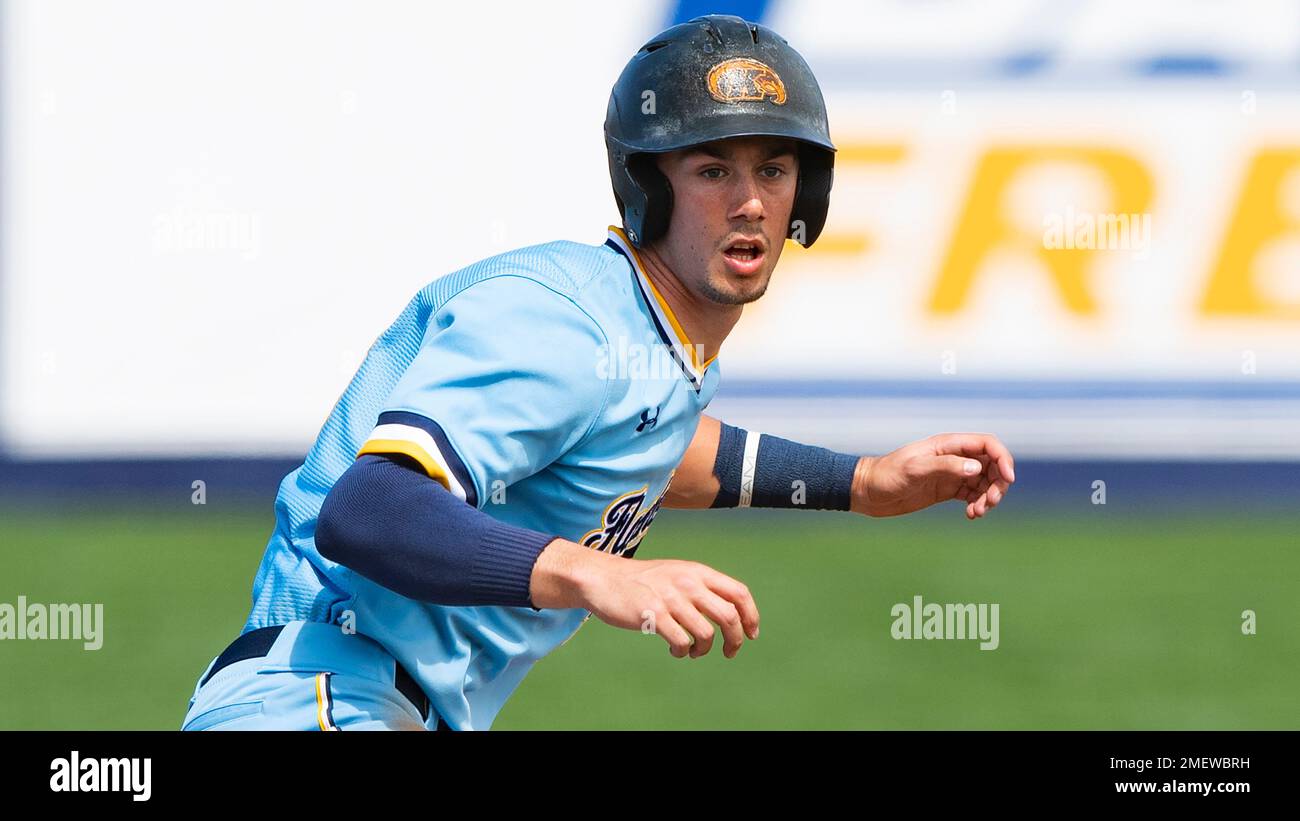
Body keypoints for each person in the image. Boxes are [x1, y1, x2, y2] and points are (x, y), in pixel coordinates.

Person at [181, 13, 1015, 732]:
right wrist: (600, 573)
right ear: (647, 187)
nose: (751, 200)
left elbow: (654, 444)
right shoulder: (564, 321)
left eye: (773, 167)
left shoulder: (643, 346)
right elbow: (369, 510)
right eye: (712, 169)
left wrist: (862, 480)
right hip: (318, 695)